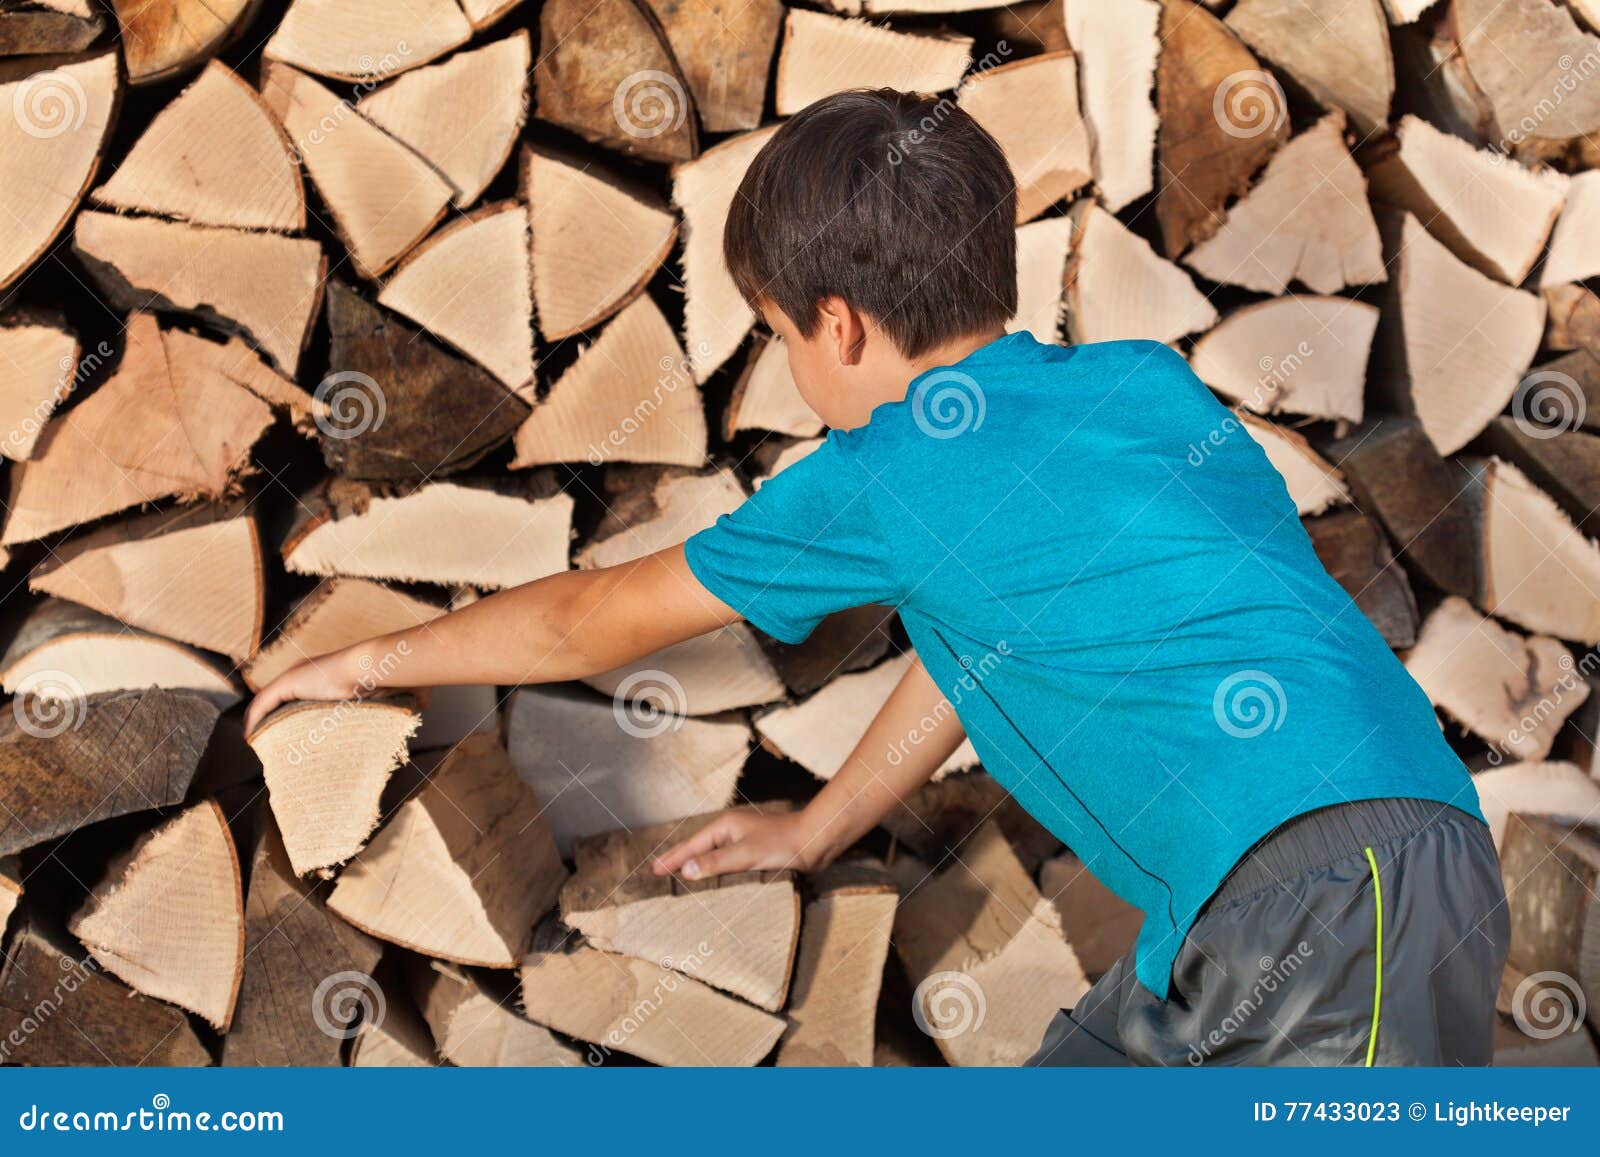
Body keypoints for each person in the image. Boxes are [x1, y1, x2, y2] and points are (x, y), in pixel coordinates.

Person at [246, 89, 1508, 1065]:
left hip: (1334, 893)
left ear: (836, 323)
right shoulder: (1140, 386)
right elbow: (989, 651)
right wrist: (816, 823)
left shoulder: (892, 468)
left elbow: (590, 618)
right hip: (1322, 884)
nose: (796, 367)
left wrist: (365, 658)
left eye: (782, 334)